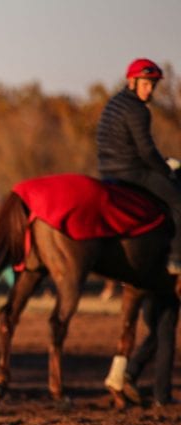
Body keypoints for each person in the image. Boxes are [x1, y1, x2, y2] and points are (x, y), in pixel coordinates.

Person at [96, 58, 181, 274]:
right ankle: (175, 259)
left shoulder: (114, 102)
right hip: (133, 173)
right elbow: (147, 151)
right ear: (132, 82)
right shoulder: (138, 110)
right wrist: (166, 170)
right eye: (146, 84)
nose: (150, 89)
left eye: (153, 85)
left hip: (107, 171)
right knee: (178, 201)